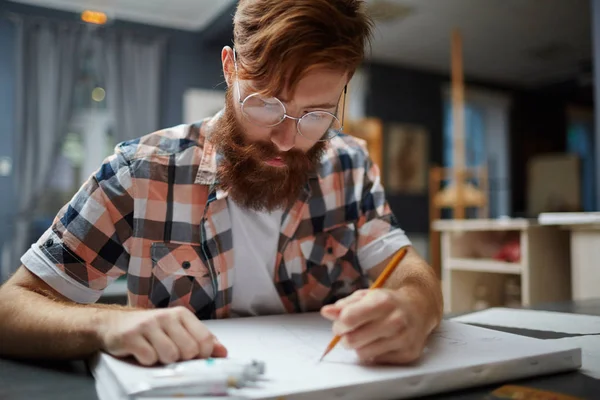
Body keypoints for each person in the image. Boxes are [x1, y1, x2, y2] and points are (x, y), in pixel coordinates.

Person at [0, 0, 442, 367]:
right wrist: (107, 323)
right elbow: (11, 308)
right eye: (266, 104)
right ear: (230, 68)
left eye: (317, 114)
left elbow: (407, 269)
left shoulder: (350, 164)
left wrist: (414, 307)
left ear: (343, 88)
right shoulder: (139, 172)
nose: (287, 141)